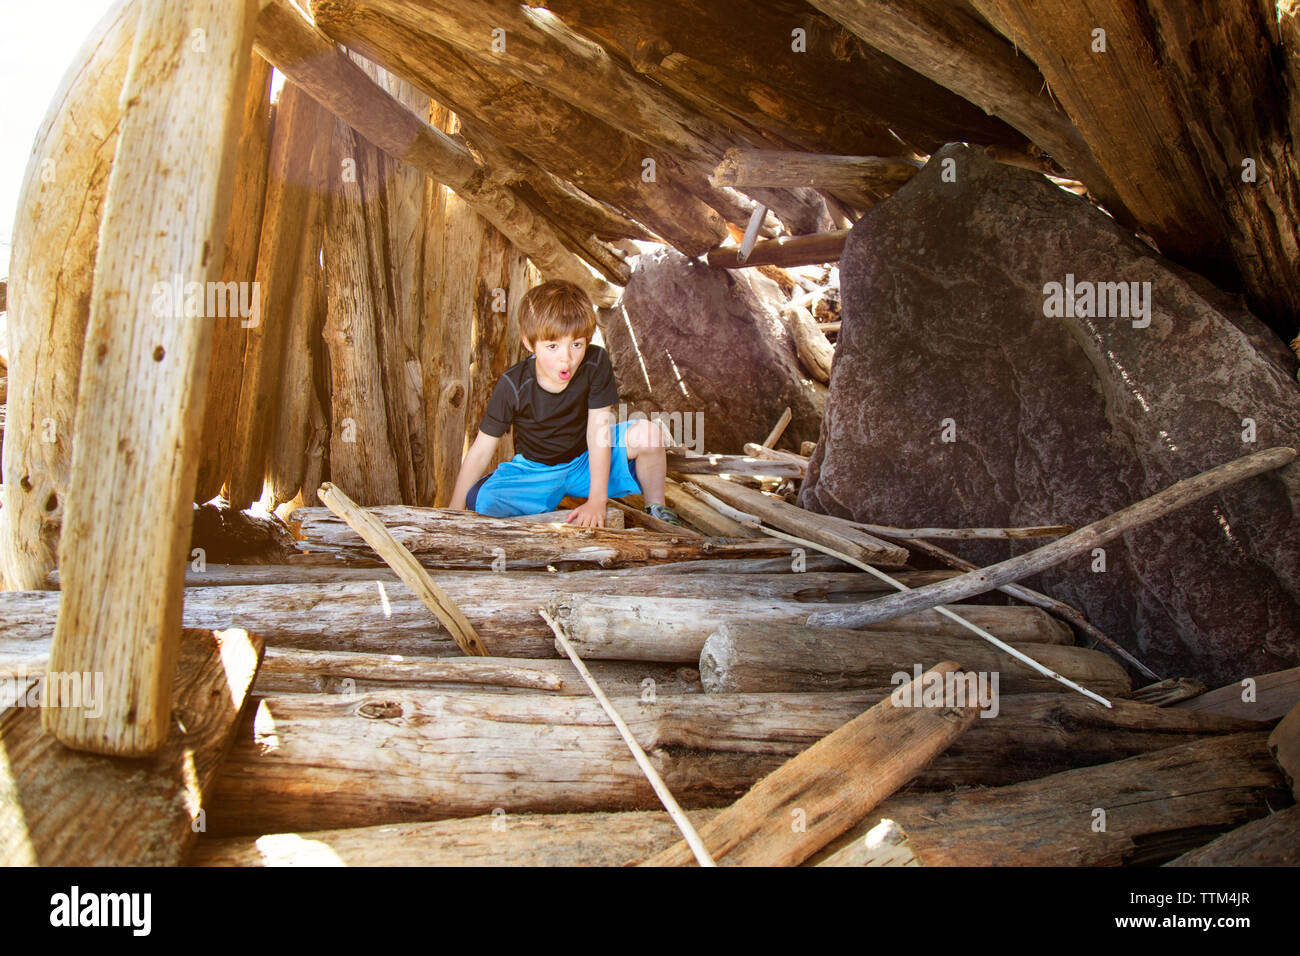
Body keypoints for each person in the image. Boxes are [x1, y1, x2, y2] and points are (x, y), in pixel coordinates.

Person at [448, 280, 685, 529]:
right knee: (485, 501)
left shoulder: (595, 363)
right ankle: (519, 497)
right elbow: (482, 449)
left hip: (585, 461)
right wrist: (453, 510)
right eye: (552, 346)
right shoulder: (512, 385)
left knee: (648, 434)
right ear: (529, 343)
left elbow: (598, 433)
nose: (567, 358)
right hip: (535, 472)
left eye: (576, 344)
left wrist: (597, 500)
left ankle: (658, 510)